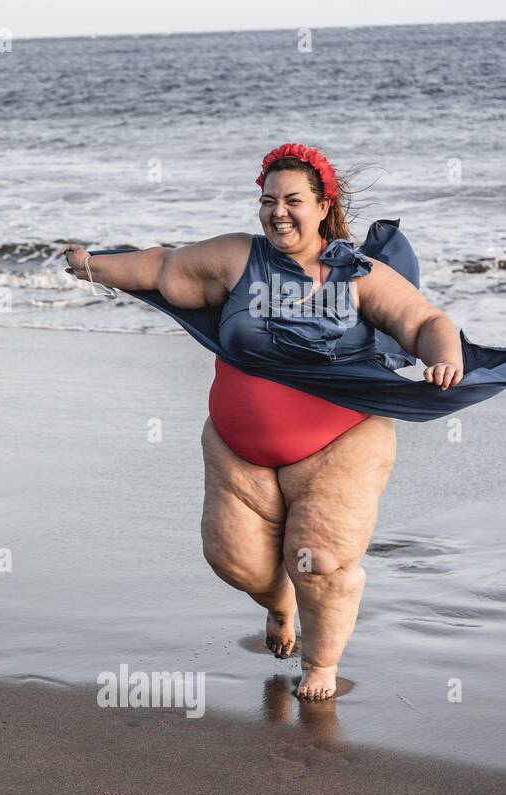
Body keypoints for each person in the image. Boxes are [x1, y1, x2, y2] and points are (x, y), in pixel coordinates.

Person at [61, 143, 506, 701]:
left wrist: (445, 358)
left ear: (323, 206)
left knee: (318, 558)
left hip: (340, 444)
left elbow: (423, 320)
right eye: (268, 200)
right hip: (236, 452)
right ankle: (280, 605)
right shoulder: (234, 258)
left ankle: (320, 663)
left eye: (293, 200)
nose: (278, 211)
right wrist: (93, 266)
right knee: (234, 562)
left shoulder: (359, 274)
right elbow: (161, 267)